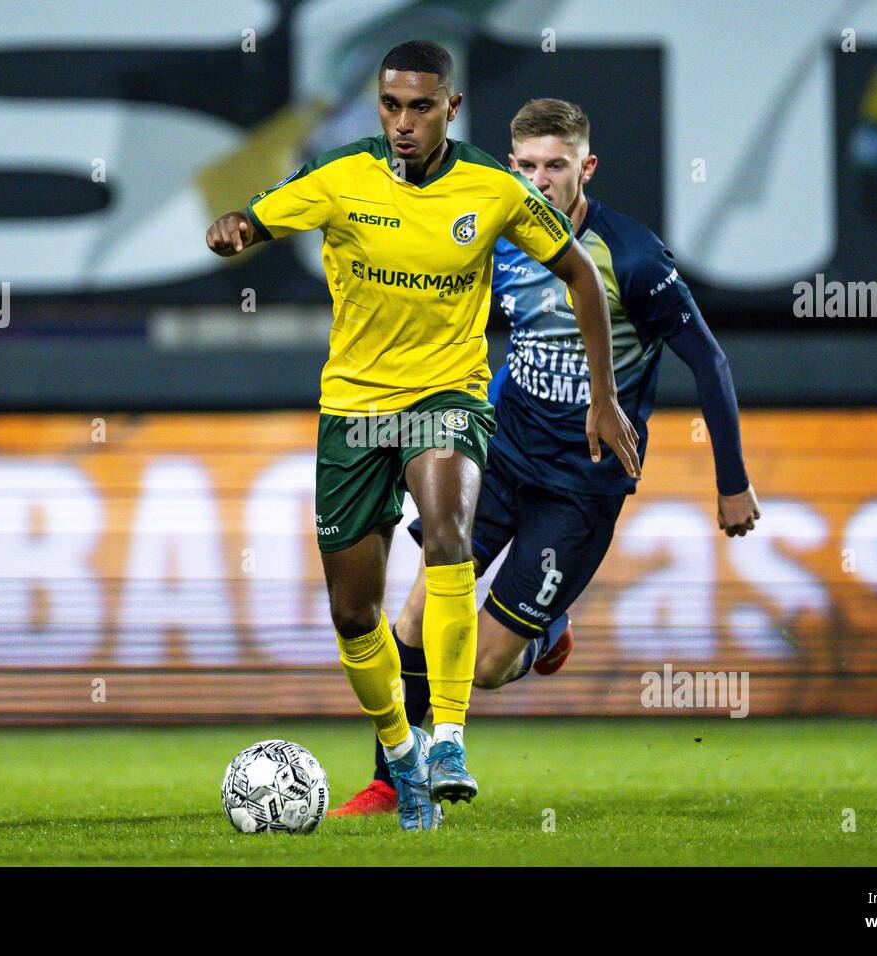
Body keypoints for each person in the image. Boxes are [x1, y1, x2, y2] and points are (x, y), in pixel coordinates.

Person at [205, 52, 640, 830]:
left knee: (448, 539)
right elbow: (258, 214)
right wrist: (237, 227)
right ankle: (401, 758)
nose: (403, 122)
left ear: (452, 107)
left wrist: (603, 398)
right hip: (354, 411)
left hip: (448, 397)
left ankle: (448, 741)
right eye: (390, 106)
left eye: (420, 107)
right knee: (353, 615)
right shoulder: (340, 175)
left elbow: (579, 276)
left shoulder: (494, 190)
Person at [330, 98, 761, 816]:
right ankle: (392, 782)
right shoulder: (497, 237)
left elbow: (710, 364)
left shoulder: (635, 259)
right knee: (413, 622)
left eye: (555, 166)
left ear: (584, 168)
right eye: (526, 167)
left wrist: (733, 485)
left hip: (581, 485)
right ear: (511, 167)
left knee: (488, 666)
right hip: (501, 453)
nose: (540, 182)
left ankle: (548, 631)